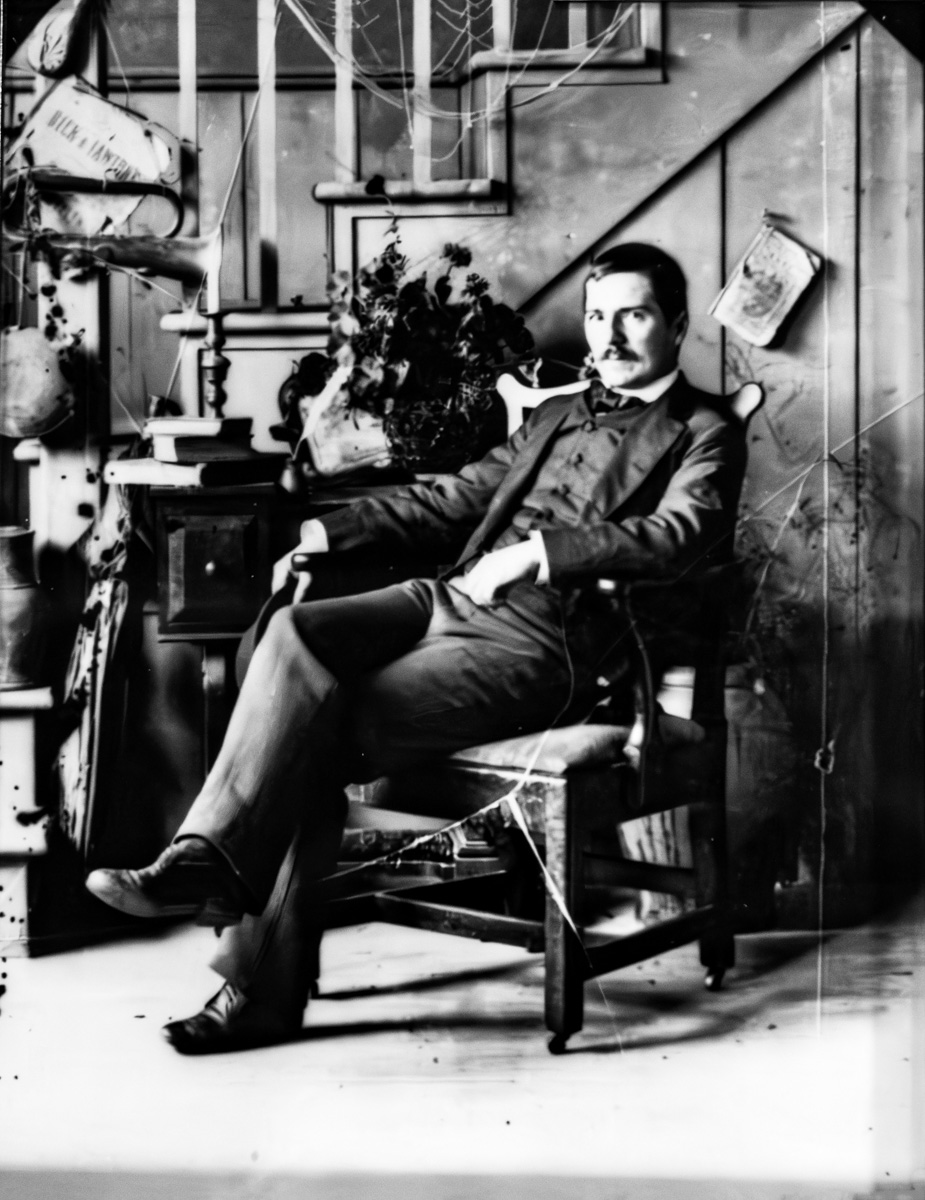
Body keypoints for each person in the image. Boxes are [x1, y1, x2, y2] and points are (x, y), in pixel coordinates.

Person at [86, 243, 747, 1054]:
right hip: (446, 600)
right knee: (295, 632)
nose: (608, 337)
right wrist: (325, 529)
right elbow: (454, 496)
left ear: (676, 326)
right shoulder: (555, 412)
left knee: (310, 729)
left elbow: (675, 534)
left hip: (547, 646)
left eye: (633, 316)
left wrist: (537, 555)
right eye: (598, 316)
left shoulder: (704, 430)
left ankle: (247, 975)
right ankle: (208, 861)